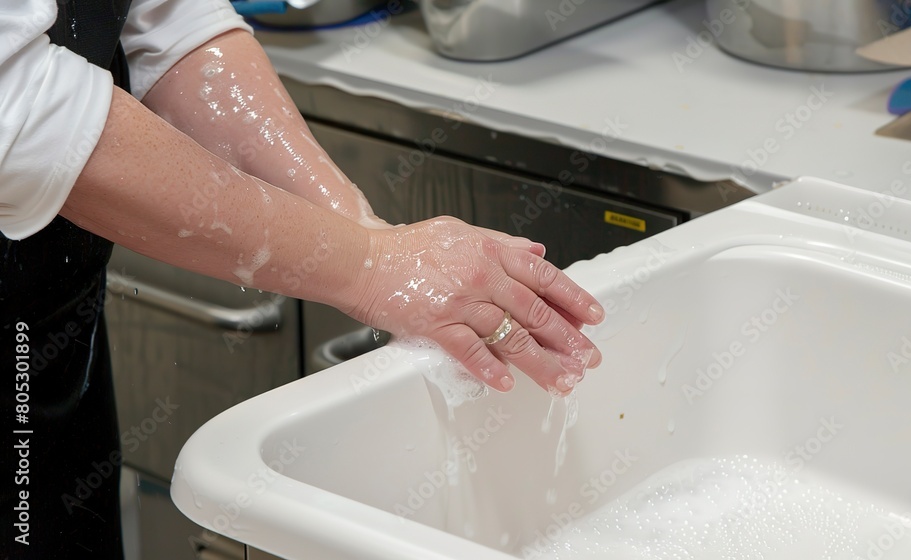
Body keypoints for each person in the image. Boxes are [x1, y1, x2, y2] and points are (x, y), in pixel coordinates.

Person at [1, 0, 604, 557]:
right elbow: (23, 118)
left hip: (49, 332)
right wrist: (369, 266)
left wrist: (364, 231)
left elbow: (165, 21)